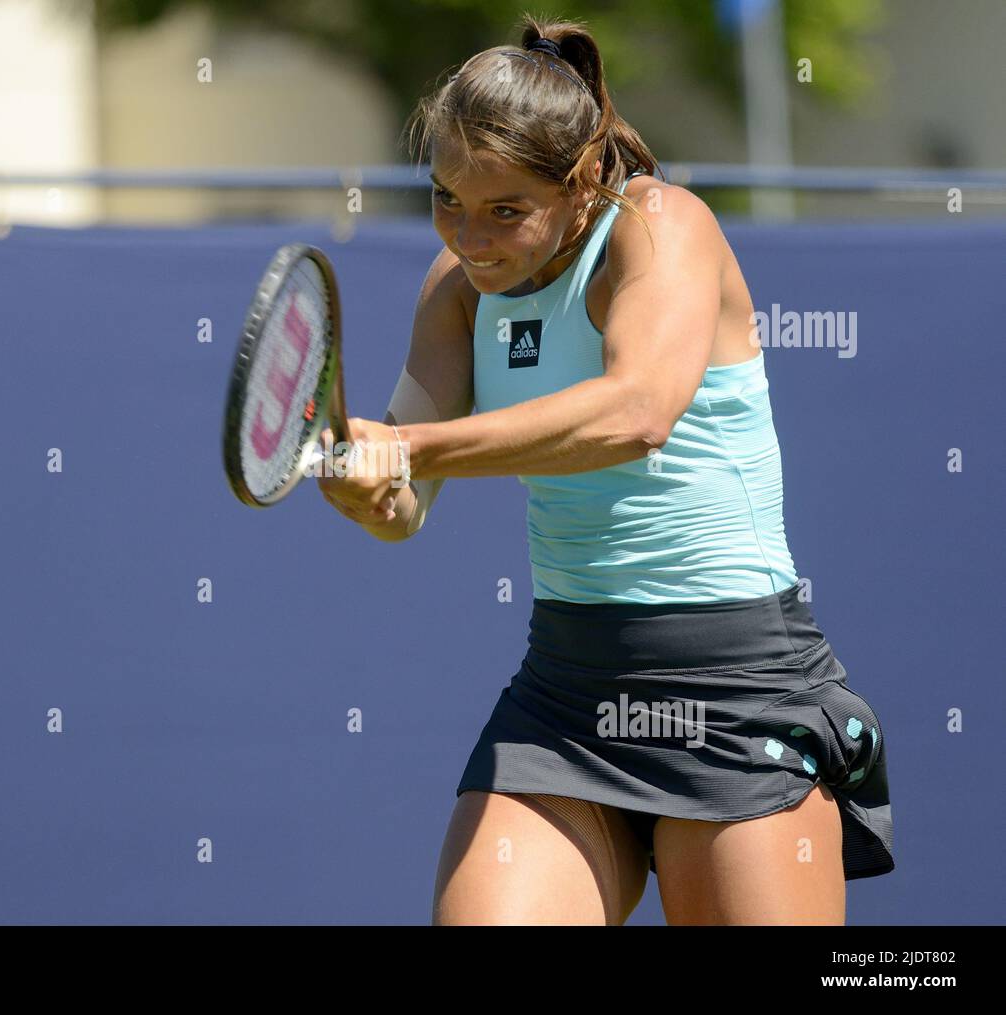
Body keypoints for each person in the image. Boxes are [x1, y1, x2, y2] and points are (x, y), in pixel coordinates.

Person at [315, 14, 894, 925]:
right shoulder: (456, 291)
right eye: (446, 200)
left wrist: (411, 447)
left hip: (737, 690)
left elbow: (637, 413)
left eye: (506, 209)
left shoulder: (662, 225)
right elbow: (402, 504)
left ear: (582, 181)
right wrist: (364, 483)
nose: (471, 236)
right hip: (568, 694)